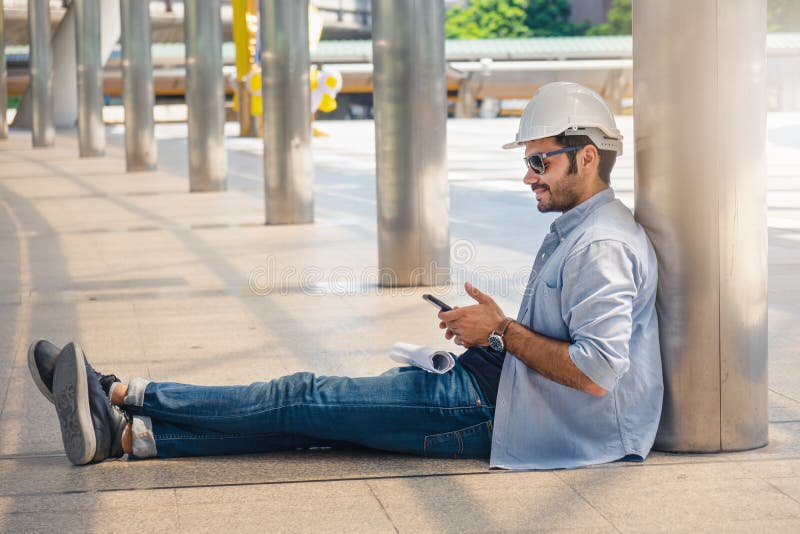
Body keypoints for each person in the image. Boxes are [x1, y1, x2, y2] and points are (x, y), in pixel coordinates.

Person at [28, 82, 662, 469]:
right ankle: (132, 439)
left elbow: (599, 373)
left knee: (301, 396)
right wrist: (493, 333)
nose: (529, 176)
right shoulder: (582, 230)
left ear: (587, 156)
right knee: (309, 419)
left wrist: (500, 331)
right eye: (528, 162)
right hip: (493, 391)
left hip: (492, 413)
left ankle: (118, 391)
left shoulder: (602, 245)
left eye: (540, 161)